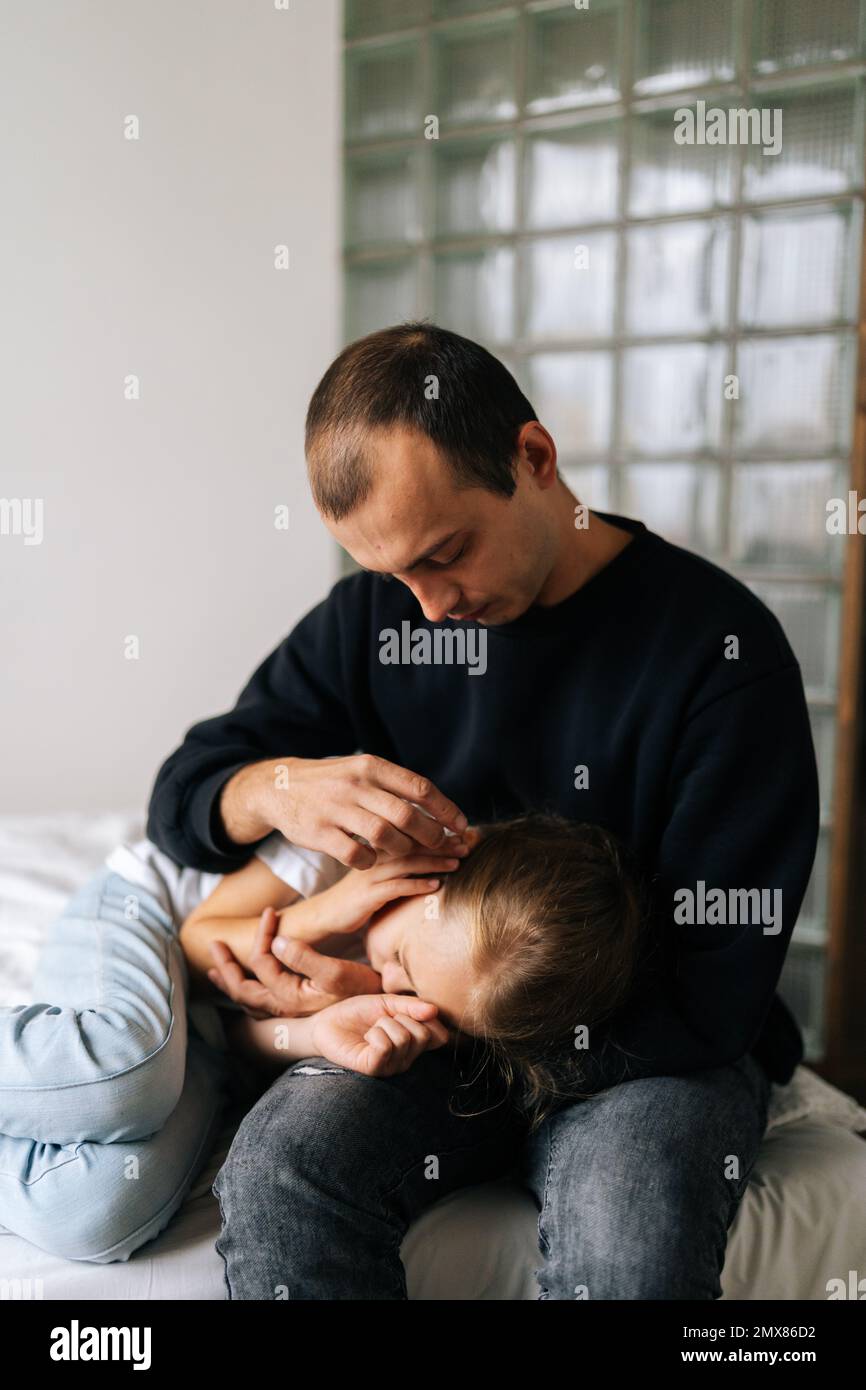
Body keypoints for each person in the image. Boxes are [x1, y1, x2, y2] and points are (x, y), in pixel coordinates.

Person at [146, 320, 820, 1300]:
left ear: (533, 458)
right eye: (391, 575)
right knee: (283, 1169)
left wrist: (418, 1000)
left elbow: (711, 996)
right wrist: (278, 784)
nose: (425, 608)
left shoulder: (717, 653)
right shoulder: (376, 623)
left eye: (445, 552)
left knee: (628, 1228)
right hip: (430, 1030)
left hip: (648, 1048)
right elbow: (184, 795)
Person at [0, 812, 643, 1263]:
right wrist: (320, 916)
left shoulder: (414, 1015)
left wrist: (306, 1031)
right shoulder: (348, 848)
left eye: (425, 1005)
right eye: (406, 962)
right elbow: (202, 942)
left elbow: (239, 1039)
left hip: (205, 1040)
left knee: (94, 1211)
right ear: (433, 872)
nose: (391, 986)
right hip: (152, 923)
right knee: (124, 1071)